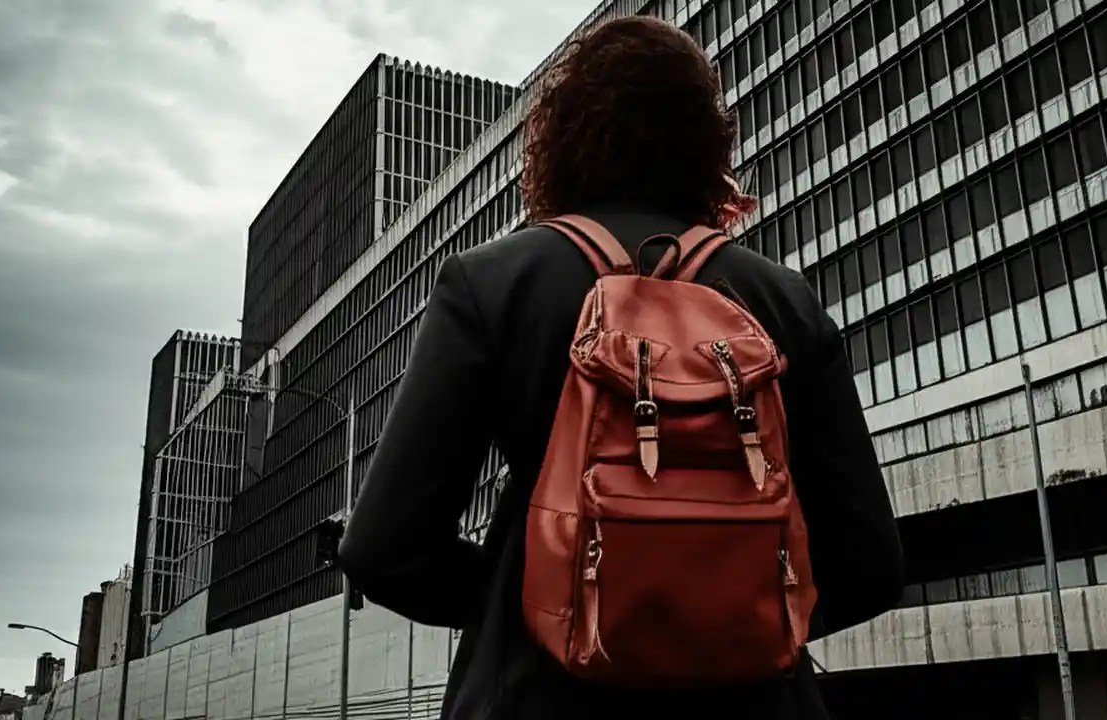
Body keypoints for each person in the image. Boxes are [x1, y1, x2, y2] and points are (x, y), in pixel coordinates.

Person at [339, 15, 904, 720]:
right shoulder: (781, 302)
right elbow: (870, 565)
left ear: (561, 140)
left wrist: (548, 594)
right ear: (708, 144)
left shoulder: (493, 284)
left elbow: (384, 549)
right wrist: (724, 612)